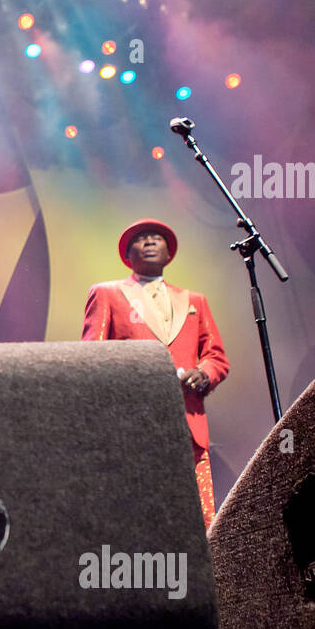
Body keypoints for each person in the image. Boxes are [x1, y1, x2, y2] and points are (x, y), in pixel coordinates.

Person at [82, 219, 229, 526]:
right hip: (132, 425)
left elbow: (216, 357)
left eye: (156, 238)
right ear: (127, 253)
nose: (149, 241)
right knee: (140, 518)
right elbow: (90, 358)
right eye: (141, 238)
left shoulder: (195, 301)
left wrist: (203, 374)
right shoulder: (107, 293)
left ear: (169, 253)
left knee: (197, 522)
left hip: (188, 428)